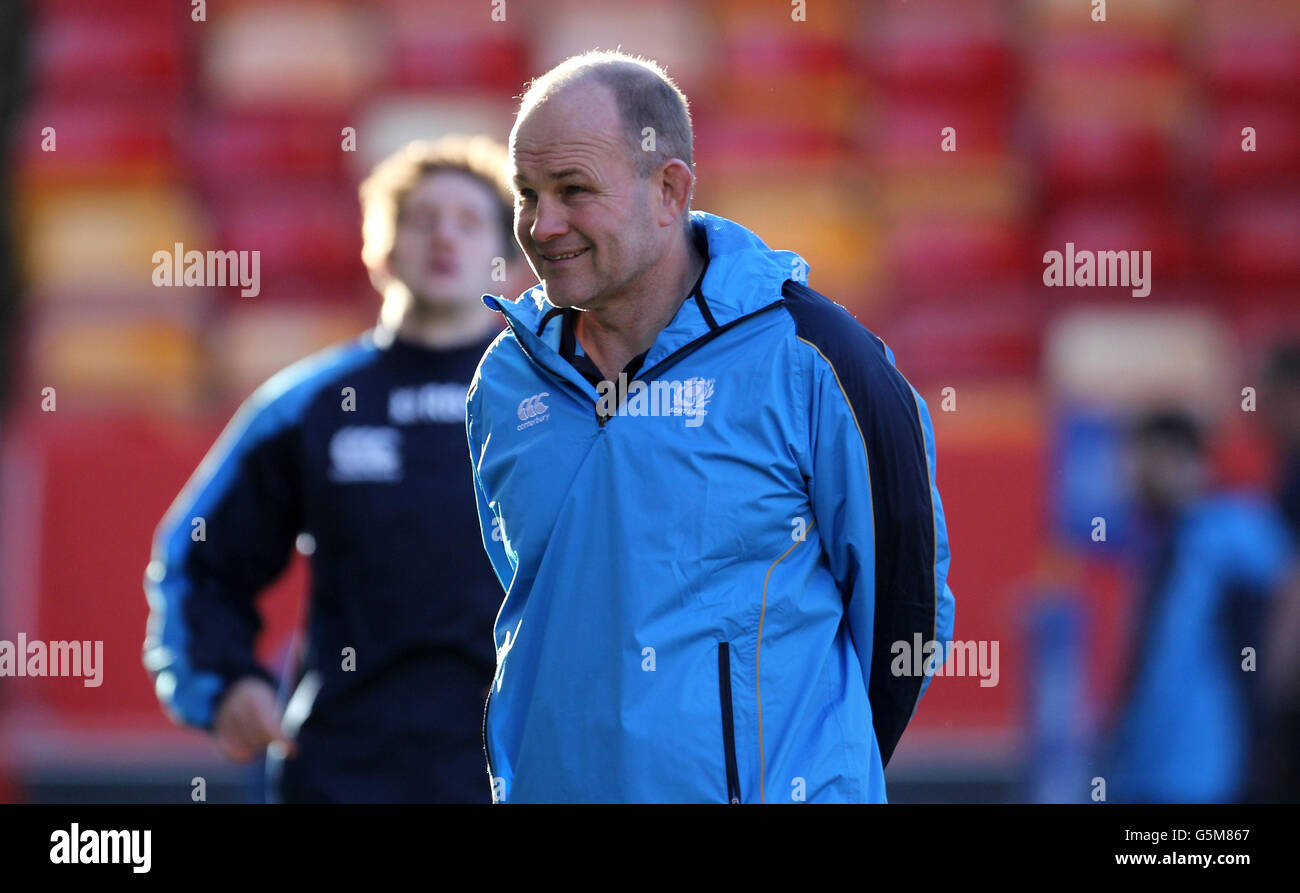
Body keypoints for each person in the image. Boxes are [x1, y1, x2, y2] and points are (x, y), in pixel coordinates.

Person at [465, 51, 955, 803]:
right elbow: (539, 602)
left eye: (574, 191)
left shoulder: (818, 357)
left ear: (669, 190)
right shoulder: (505, 379)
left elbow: (904, 611)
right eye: (527, 194)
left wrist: (827, 770)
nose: (541, 224)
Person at [144, 135, 528, 802]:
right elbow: (200, 558)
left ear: (505, 257)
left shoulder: (556, 402)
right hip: (345, 773)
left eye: (468, 222)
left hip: (522, 773)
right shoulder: (309, 406)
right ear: (380, 249)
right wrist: (224, 679)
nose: (444, 237)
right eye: (420, 219)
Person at [1103, 409, 1294, 802]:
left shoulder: (1230, 528)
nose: (1133, 476)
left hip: (1204, 765)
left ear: (1185, 460)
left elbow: (1290, 582)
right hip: (1145, 764)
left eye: (1145, 460)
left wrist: (1274, 693)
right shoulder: (1159, 545)